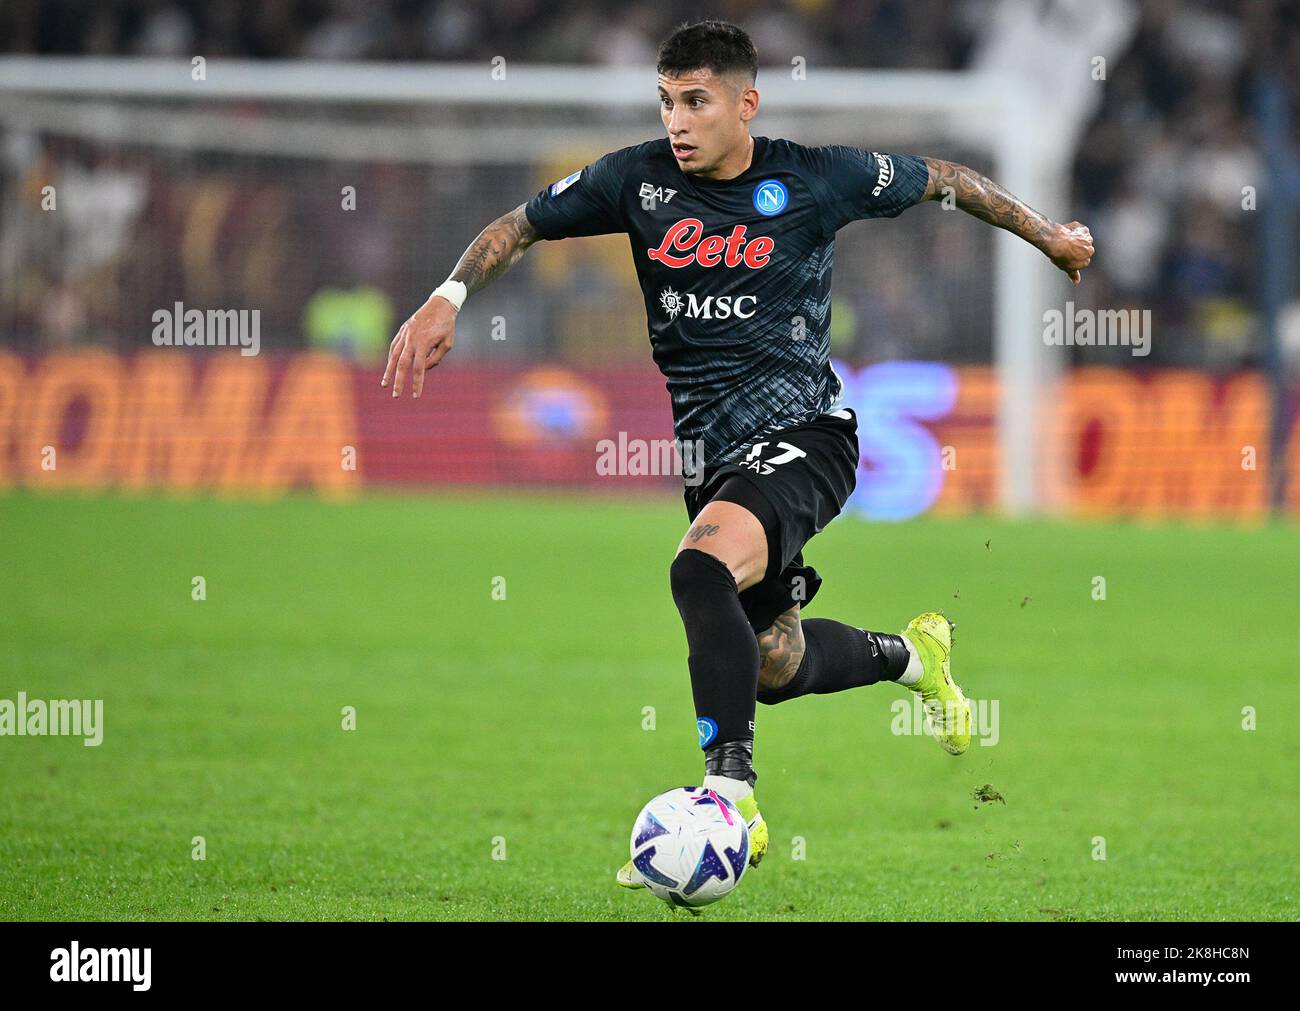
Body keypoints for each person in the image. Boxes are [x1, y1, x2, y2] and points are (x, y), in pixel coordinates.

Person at [382, 19, 1094, 891]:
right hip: (714, 461)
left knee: (696, 569)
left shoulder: (814, 177)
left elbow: (945, 181)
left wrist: (1050, 234)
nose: (677, 121)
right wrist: (446, 295)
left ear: (744, 104)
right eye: (667, 102)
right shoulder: (635, 182)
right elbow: (520, 224)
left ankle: (730, 795)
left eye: (696, 102)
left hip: (810, 438)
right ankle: (912, 657)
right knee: (773, 664)